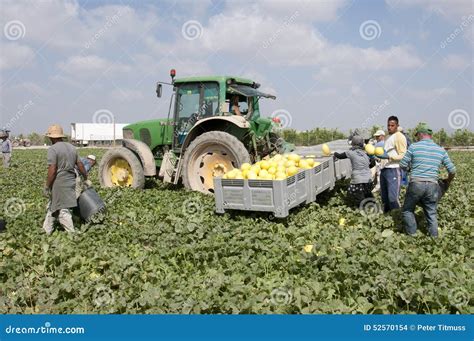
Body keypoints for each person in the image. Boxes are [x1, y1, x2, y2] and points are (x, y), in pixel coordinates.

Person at [400, 123, 456, 237]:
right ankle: (434, 238)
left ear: (420, 135)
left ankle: (412, 235)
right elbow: (452, 170)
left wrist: (409, 169)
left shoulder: (414, 147)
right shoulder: (440, 150)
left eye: (417, 135)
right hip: (432, 185)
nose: (416, 138)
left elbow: (402, 164)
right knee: (431, 212)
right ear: (430, 136)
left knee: (407, 210)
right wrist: (448, 180)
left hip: (416, 183)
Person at [42, 124, 87, 235]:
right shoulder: (72, 147)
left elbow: (52, 170)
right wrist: (86, 177)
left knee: (63, 209)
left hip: (59, 182)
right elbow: (80, 164)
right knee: (53, 205)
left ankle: (72, 234)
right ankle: (46, 230)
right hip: (70, 180)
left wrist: (47, 186)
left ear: (52, 137)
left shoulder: (53, 149)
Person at [334, 136, 375, 208]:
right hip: (368, 179)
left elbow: (339, 156)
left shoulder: (350, 152)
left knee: (359, 196)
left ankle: (363, 211)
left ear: (353, 144)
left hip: (358, 179)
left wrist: (334, 153)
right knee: (368, 194)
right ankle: (373, 207)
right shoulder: (365, 153)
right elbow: (372, 164)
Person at [378, 116, 407, 213]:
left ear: (397, 126)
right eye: (388, 125)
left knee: (392, 198)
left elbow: (403, 155)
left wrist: (389, 157)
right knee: (385, 199)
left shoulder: (399, 136)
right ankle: (386, 220)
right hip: (384, 169)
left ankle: (397, 220)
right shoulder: (388, 137)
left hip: (393, 170)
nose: (390, 127)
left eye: (392, 125)